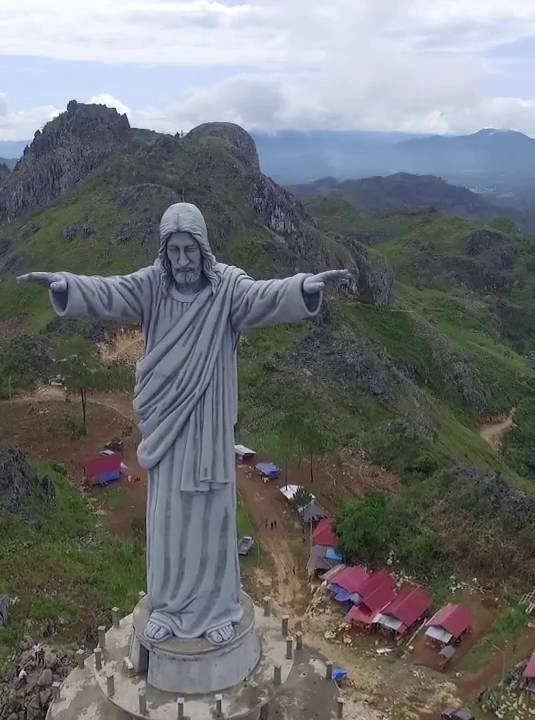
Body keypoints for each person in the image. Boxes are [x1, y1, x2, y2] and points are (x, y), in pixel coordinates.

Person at [18, 202, 350, 646]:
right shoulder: (152, 286)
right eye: (173, 251)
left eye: (188, 250)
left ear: (202, 247)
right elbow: (109, 293)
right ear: (165, 251)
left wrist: (304, 287)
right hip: (168, 430)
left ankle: (216, 608)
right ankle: (170, 607)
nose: (181, 261)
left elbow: (263, 298)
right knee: (170, 517)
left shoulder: (227, 288)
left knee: (211, 518)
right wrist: (67, 286)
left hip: (209, 430)